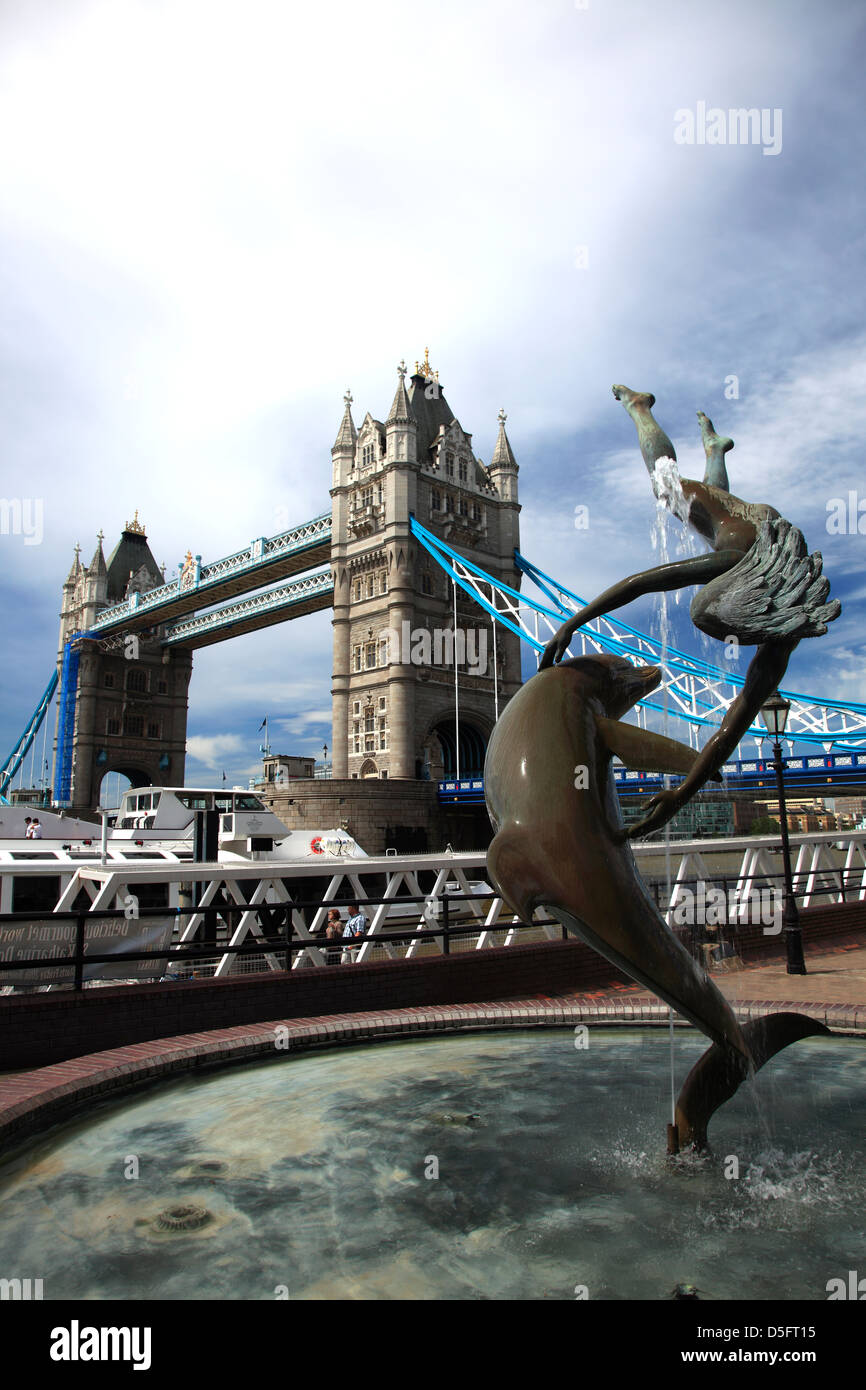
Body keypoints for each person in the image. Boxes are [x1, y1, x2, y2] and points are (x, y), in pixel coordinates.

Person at [541, 385, 840, 838]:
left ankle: (715, 450)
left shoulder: (784, 624)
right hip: (752, 533)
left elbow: (729, 727)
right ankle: (638, 405)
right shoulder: (737, 560)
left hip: (765, 529)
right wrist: (573, 623)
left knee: (706, 506)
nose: (733, 643)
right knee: (668, 485)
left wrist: (682, 794)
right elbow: (643, 582)